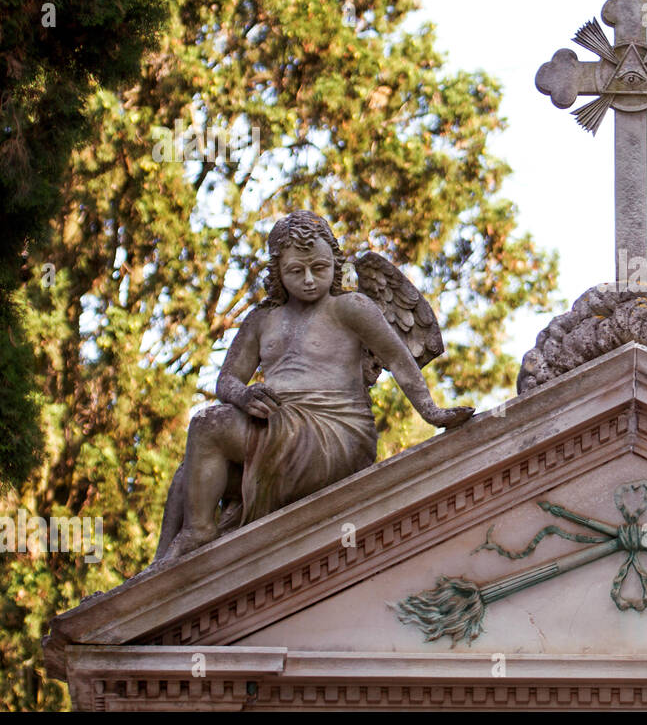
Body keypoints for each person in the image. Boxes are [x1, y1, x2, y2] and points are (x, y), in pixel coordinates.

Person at [152, 211, 472, 563]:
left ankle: (199, 532)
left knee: (207, 426)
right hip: (278, 427)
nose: (308, 280)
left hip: (335, 432)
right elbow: (226, 380)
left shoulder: (349, 307)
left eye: (319, 268)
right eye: (295, 271)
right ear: (278, 272)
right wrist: (244, 396)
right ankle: (160, 567)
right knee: (189, 473)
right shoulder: (262, 319)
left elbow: (398, 359)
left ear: (335, 262)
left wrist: (432, 413)